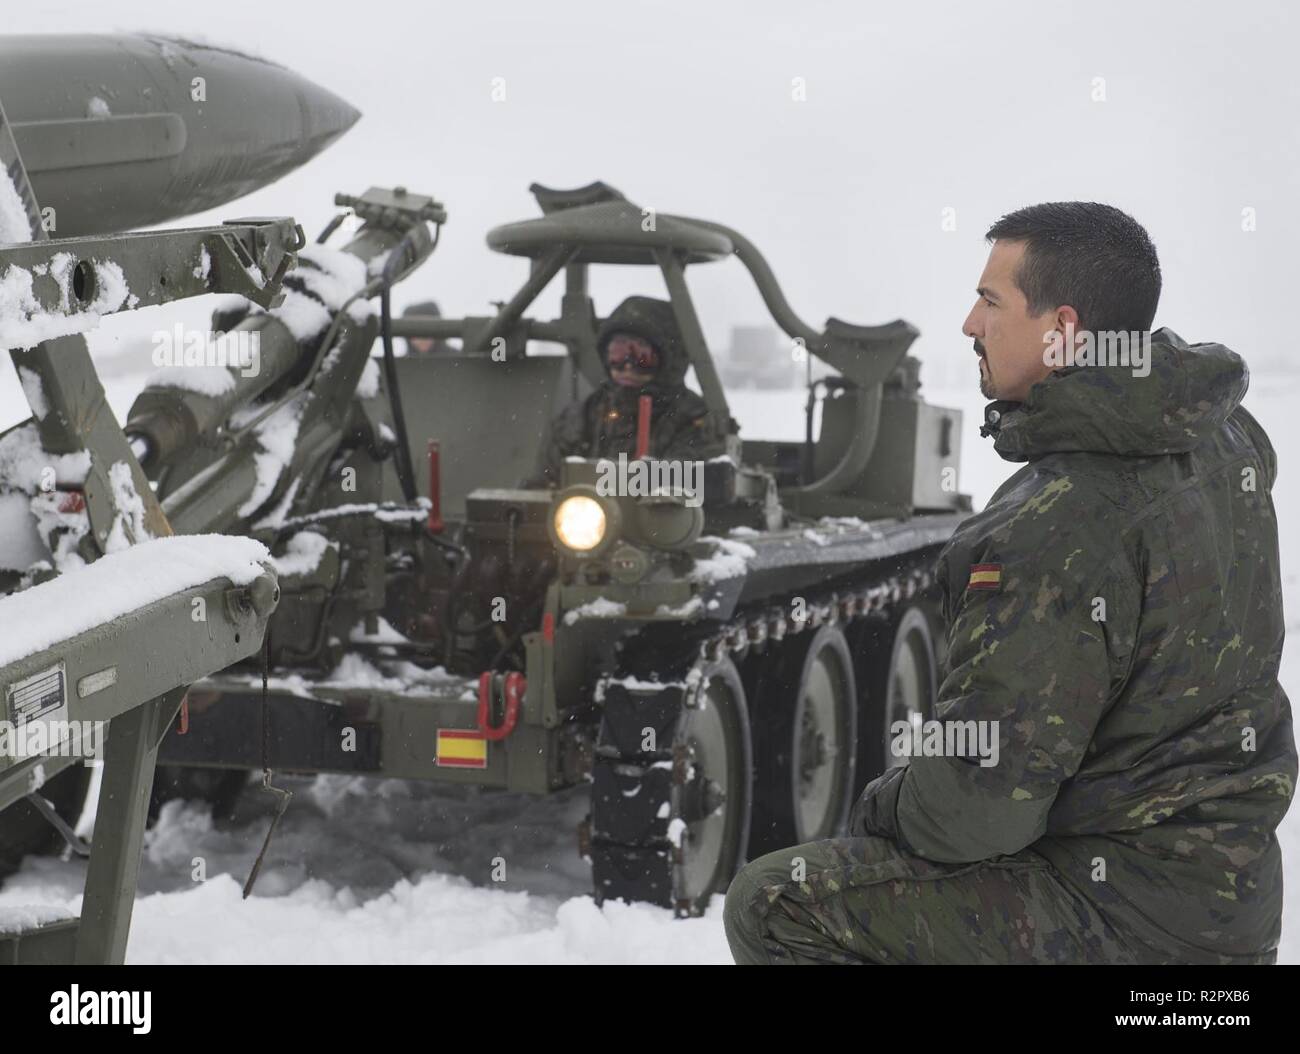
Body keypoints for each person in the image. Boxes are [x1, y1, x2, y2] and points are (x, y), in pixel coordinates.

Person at [724, 201, 1296, 964]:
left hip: (1121, 918)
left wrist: (881, 803)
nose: (969, 324)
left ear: (1062, 328)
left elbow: (978, 811)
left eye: (990, 302)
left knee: (775, 903)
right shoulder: (1230, 436)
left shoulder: (1055, 524)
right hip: (1232, 904)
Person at [527, 295, 733, 486]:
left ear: (668, 360)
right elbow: (542, 484)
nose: (627, 366)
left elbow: (685, 487)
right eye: (618, 354)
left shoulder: (694, 421)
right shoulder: (581, 418)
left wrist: (650, 479)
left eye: (641, 357)